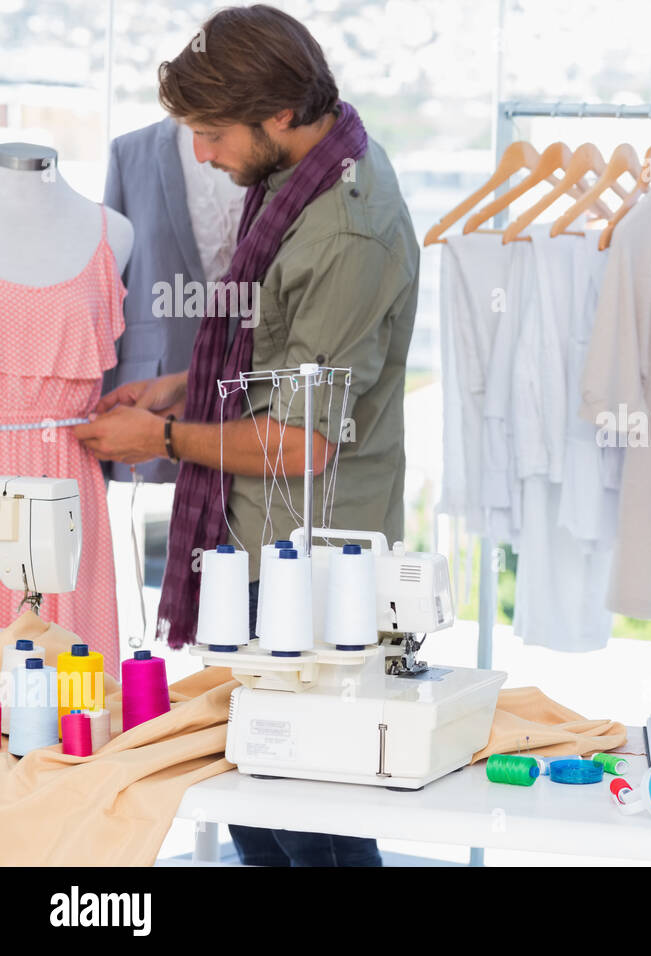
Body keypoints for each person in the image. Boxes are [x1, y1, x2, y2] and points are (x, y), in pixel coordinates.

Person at [74, 5, 418, 866]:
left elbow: (305, 444)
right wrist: (187, 381)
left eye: (212, 132)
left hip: (309, 561)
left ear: (277, 115)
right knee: (255, 806)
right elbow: (283, 350)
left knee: (311, 821)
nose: (199, 153)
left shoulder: (345, 229)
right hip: (259, 543)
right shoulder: (294, 177)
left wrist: (163, 433)